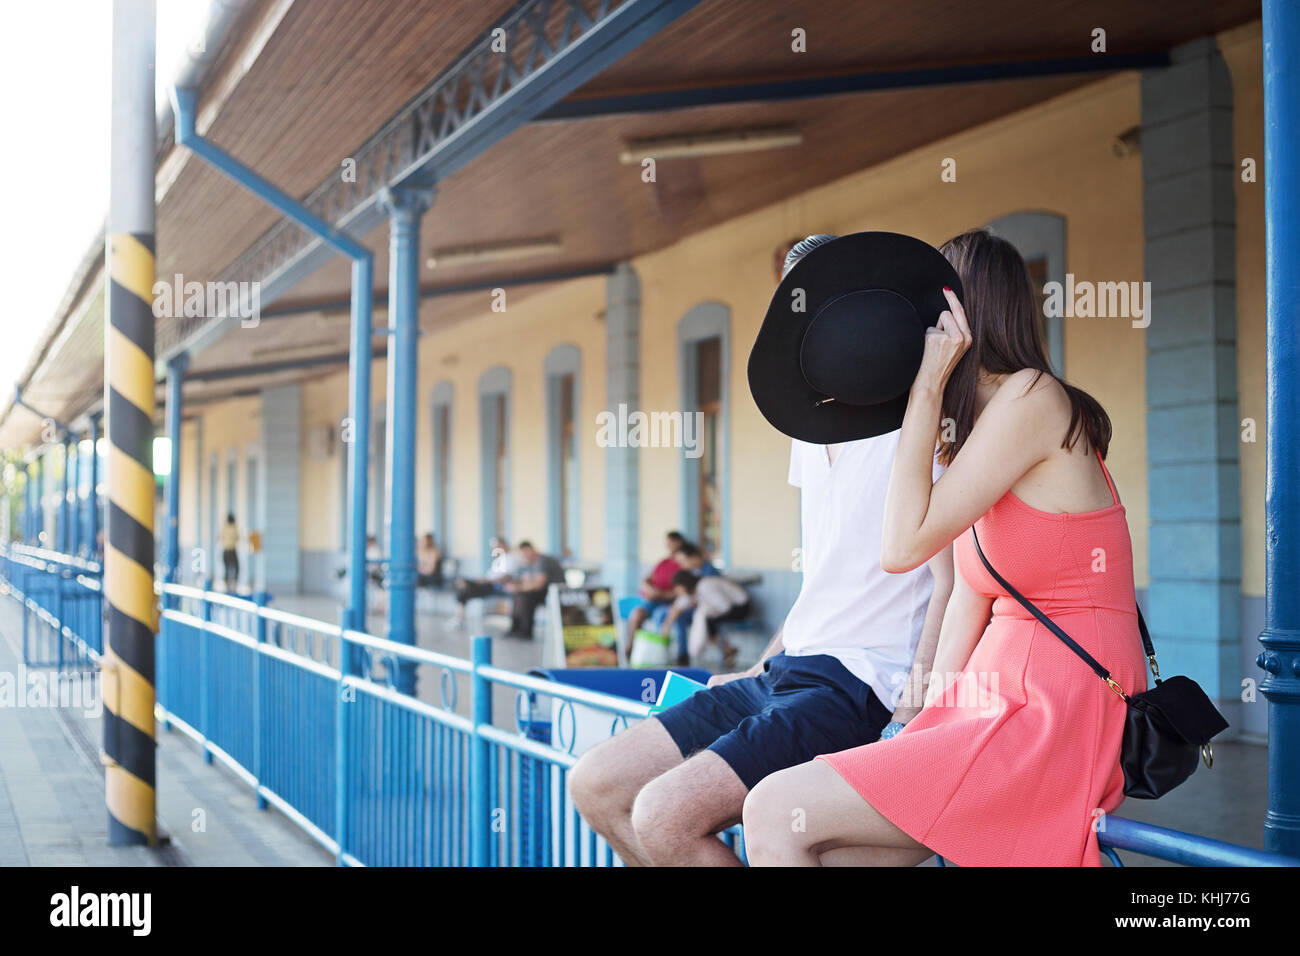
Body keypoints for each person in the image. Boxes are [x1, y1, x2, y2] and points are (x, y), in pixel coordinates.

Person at [742, 229, 1149, 868]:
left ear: (956, 312)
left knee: (772, 807)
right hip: (993, 696)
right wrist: (920, 725)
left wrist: (927, 390)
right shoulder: (982, 430)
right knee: (831, 852)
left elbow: (901, 546)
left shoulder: (1031, 398)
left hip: (1055, 703)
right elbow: (965, 595)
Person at [567, 234, 954, 867]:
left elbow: (953, 580)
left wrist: (915, 704)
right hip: (785, 669)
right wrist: (761, 662)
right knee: (597, 784)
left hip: (858, 684)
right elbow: (824, 576)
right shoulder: (811, 429)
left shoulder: (921, 422)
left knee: (664, 816)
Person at [660, 569, 750, 664]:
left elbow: (725, 606)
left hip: (741, 608)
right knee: (706, 621)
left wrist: (707, 612)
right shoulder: (692, 592)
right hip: (728, 608)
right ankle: (727, 650)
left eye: (677, 587)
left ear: (684, 584)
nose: (676, 591)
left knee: (707, 622)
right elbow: (678, 607)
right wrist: (666, 626)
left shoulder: (705, 586)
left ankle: (727, 650)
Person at [621, 531, 686, 655]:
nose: (668, 546)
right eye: (667, 543)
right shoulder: (663, 562)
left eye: (671, 543)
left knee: (662, 616)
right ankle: (630, 648)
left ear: (679, 543)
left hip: (671, 602)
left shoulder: (683, 564)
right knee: (637, 613)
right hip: (653, 599)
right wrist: (649, 589)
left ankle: (671, 654)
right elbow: (647, 579)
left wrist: (662, 594)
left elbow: (684, 591)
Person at [504, 541, 565, 638]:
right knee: (518, 595)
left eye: (525, 552)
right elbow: (526, 581)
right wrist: (517, 587)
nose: (524, 555)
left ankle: (526, 631)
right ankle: (515, 628)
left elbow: (539, 584)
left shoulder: (544, 561)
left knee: (526, 597)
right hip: (540, 592)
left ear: (531, 549)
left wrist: (520, 588)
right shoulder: (528, 563)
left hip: (554, 593)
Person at [453, 536, 521, 624]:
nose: (495, 549)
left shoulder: (511, 558)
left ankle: (459, 617)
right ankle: (459, 616)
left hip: (496, 585)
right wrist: (483, 580)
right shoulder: (499, 559)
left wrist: (487, 581)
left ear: (503, 545)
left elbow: (506, 577)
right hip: (488, 583)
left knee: (463, 589)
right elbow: (491, 575)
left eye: (497, 546)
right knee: (462, 588)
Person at [220, 513, 239, 592]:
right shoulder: (234, 528)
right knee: (236, 568)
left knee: (226, 568)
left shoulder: (224, 528)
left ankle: (227, 586)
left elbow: (220, 538)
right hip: (232, 550)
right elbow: (237, 538)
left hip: (225, 551)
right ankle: (234, 585)